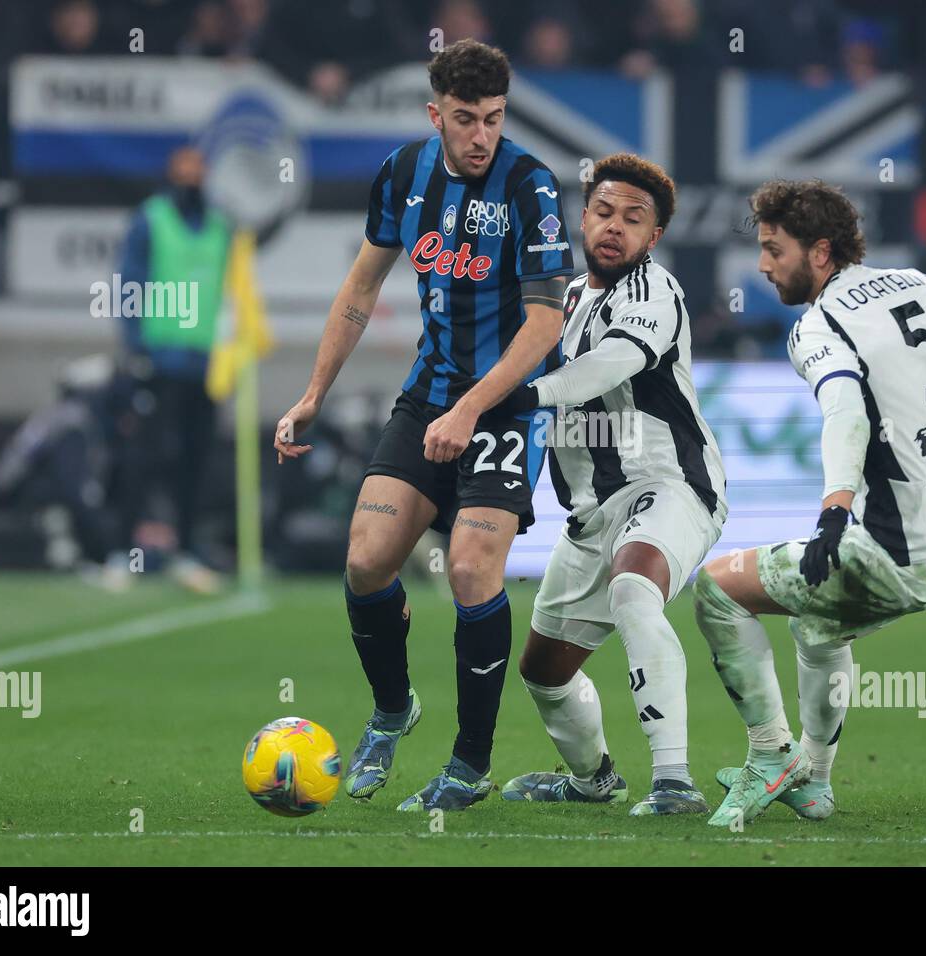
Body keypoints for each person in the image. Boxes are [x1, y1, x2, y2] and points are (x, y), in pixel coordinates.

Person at [274, 39, 574, 812]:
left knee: (472, 569)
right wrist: (314, 392)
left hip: (505, 408)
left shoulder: (531, 186)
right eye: (467, 120)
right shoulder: (402, 174)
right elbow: (360, 289)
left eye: (495, 120)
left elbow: (545, 323)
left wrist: (472, 409)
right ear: (435, 114)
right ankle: (393, 706)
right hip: (427, 398)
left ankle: (469, 765)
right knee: (367, 560)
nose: (482, 137)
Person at [693, 180, 926, 827]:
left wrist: (833, 514)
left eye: (773, 249)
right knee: (817, 624)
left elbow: (844, 412)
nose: (762, 266)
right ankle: (814, 781)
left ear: (820, 252)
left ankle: (770, 757)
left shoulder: (820, 325)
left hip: (890, 555)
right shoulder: (925, 287)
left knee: (715, 590)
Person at [497, 154, 727, 815]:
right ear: (583, 216)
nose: (613, 227)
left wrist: (526, 394)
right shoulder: (561, 300)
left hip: (671, 485)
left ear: (653, 238)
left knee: (634, 587)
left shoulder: (656, 293)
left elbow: (606, 367)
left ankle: (674, 781)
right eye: (603, 212)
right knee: (543, 671)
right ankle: (592, 778)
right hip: (592, 514)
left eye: (633, 219)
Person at [117, 145, 230, 594]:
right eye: (184, 171)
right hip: (158, 358)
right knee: (143, 459)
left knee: (194, 462)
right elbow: (130, 281)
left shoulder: (221, 227)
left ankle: (184, 552)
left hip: (204, 364)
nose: (192, 179)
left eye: (198, 171)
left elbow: (232, 291)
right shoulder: (152, 218)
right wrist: (134, 347)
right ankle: (122, 551)